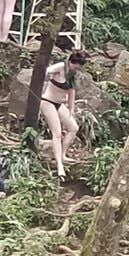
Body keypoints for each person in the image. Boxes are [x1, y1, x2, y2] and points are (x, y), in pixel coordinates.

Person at [39, 49, 88, 179]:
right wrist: (49, 75)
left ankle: (63, 154)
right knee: (57, 133)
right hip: (47, 101)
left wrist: (71, 110)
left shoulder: (72, 74)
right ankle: (59, 165)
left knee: (73, 127)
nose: (76, 69)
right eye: (76, 66)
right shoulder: (61, 67)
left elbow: (72, 92)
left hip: (60, 104)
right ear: (71, 62)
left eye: (79, 68)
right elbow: (45, 71)